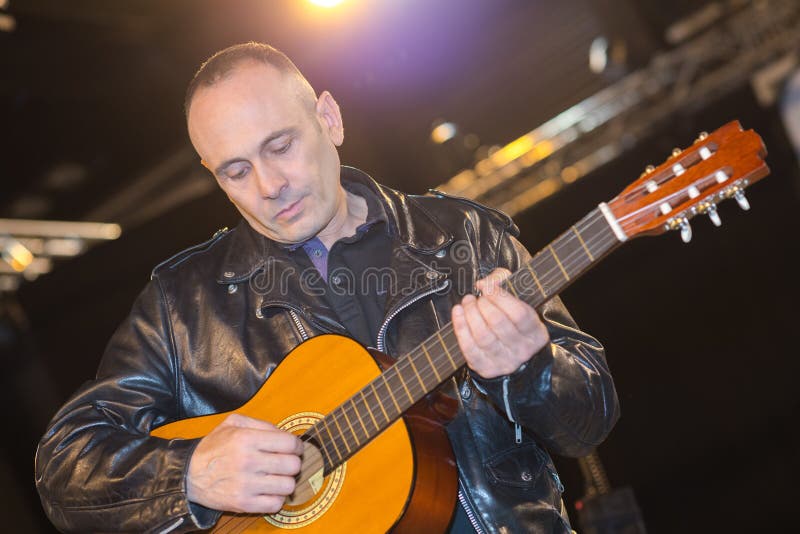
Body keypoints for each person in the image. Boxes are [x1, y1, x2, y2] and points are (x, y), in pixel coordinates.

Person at [35, 42, 619, 533]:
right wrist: (190, 473)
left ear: (330, 119)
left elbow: (588, 423)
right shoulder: (181, 307)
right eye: (236, 171)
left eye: (280, 146)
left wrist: (531, 368)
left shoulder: (463, 235)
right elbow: (65, 467)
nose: (268, 185)